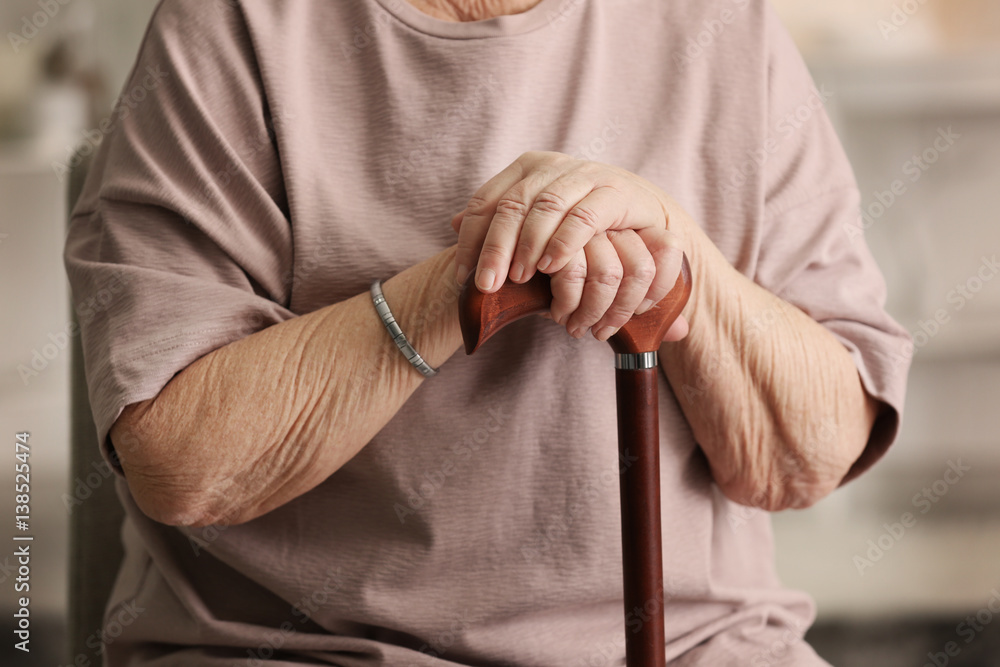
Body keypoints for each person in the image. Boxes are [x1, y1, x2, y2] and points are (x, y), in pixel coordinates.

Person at [63, 0, 912, 664]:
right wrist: (468, 276)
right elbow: (183, 466)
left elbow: (813, 452)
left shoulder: (724, 25)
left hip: (698, 646)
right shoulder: (230, 26)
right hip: (311, 649)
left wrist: (677, 251)